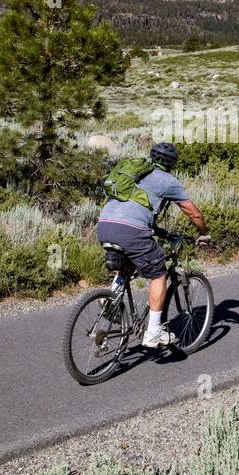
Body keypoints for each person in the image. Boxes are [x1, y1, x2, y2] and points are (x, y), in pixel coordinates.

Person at [96, 142, 210, 347]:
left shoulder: (135, 174)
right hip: (130, 231)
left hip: (104, 224)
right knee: (159, 274)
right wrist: (204, 234)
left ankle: (110, 300)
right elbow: (193, 213)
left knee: (126, 263)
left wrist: (159, 232)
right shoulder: (168, 181)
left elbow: (137, 210)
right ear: (173, 163)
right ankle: (154, 332)